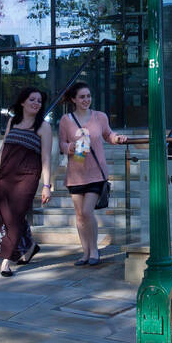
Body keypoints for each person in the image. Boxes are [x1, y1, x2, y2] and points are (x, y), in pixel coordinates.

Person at [58, 81, 126, 266]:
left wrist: (117, 138)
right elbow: (62, 145)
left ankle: (94, 250)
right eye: (82, 97)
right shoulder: (66, 120)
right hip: (75, 173)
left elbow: (108, 135)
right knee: (79, 215)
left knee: (88, 212)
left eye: (88, 96)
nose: (86, 100)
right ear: (73, 99)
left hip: (96, 172)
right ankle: (85, 252)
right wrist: (72, 146)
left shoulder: (100, 117)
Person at [0, 86, 53, 276]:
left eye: (39, 101)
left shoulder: (44, 127)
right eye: (32, 99)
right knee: (2, 215)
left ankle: (6, 260)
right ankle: (30, 246)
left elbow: (46, 158)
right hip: (6, 175)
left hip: (27, 177)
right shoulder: (13, 121)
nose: (36, 103)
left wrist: (47, 186)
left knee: (14, 216)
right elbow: (4, 148)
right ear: (23, 102)